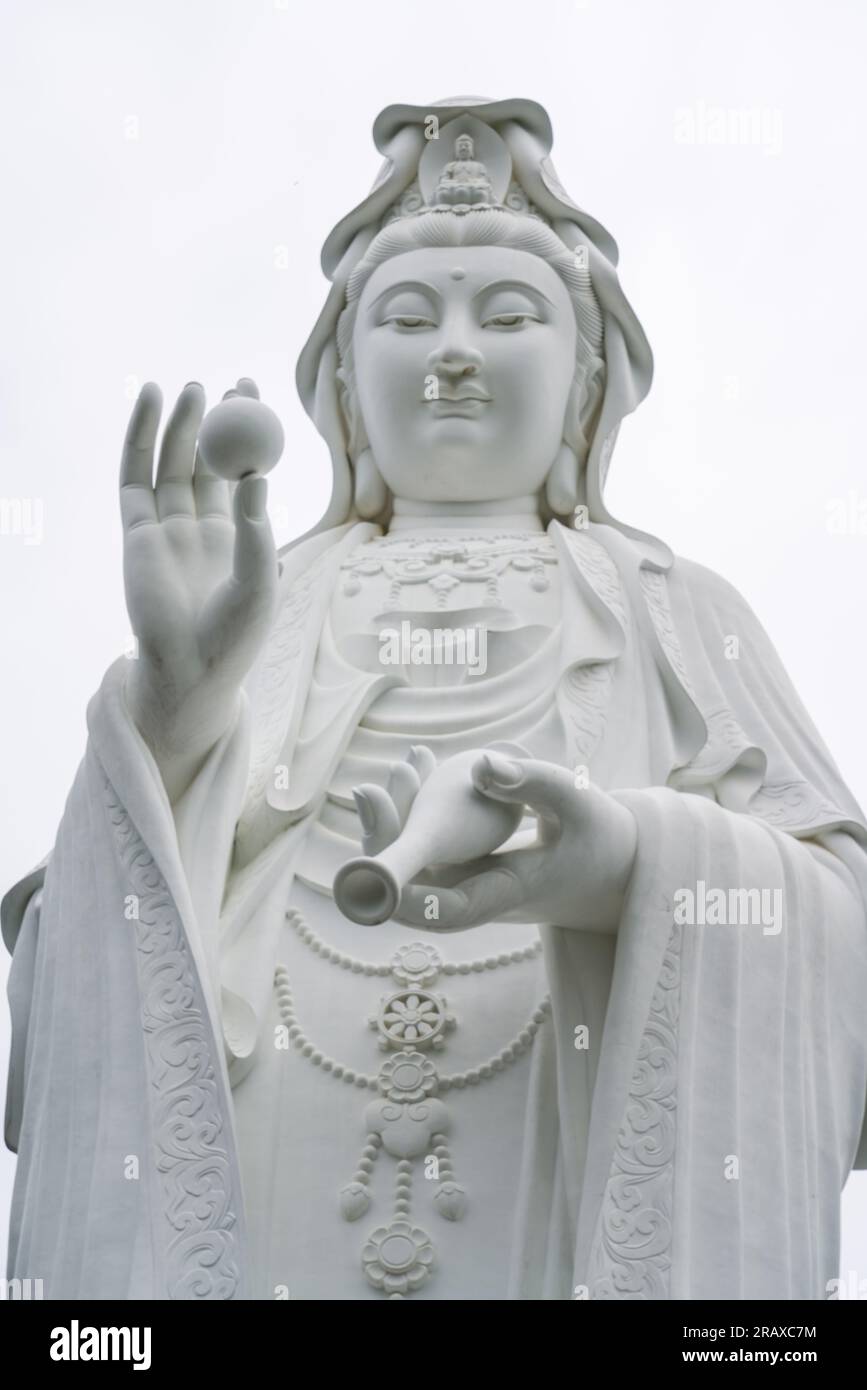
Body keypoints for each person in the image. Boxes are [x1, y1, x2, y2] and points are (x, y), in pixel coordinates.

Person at [5, 97, 867, 1301]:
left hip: (559, 1166)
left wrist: (624, 861)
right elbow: (76, 962)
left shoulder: (677, 604)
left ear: (581, 389)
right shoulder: (267, 596)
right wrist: (172, 719)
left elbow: (832, 925)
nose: (453, 350)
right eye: (407, 318)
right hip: (260, 1199)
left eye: (509, 316)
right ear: (348, 389)